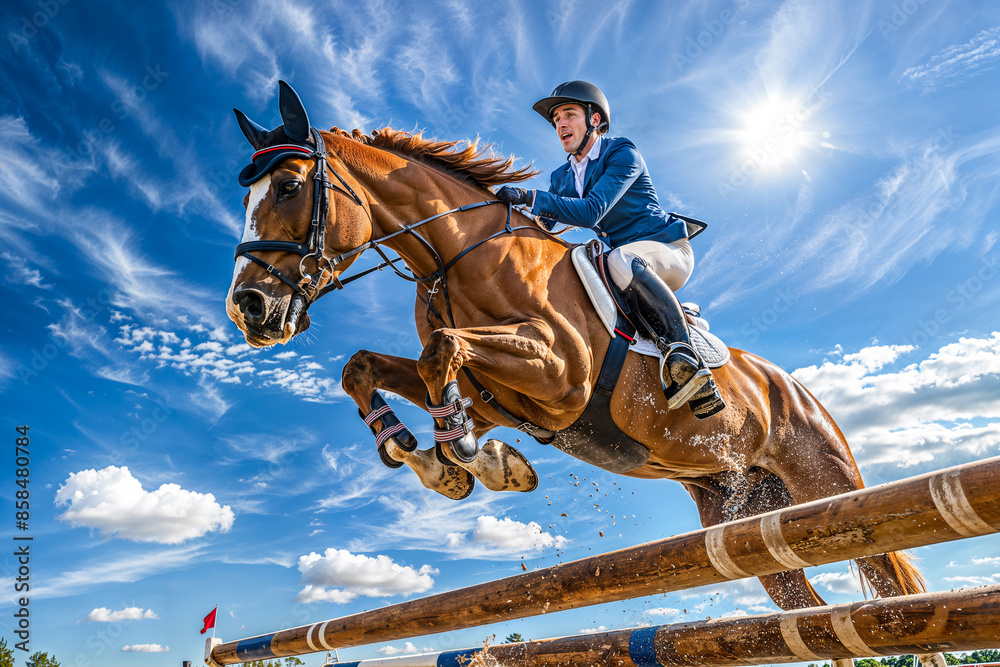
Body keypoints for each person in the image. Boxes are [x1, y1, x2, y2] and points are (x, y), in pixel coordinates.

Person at [496, 80, 725, 419]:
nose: (560, 124)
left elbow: (590, 212)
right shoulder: (562, 177)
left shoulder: (622, 153)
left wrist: (530, 197)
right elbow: (551, 226)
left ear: (595, 120)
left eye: (569, 115)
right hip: (626, 267)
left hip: (667, 251)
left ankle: (686, 357)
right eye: (556, 118)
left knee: (618, 258)